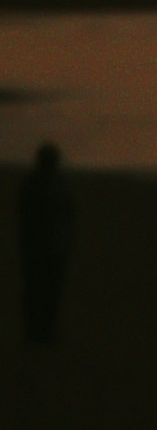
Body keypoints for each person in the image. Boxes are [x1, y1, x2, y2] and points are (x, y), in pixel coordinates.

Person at [17, 144, 76, 349]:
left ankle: (39, 332)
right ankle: (39, 332)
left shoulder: (38, 184)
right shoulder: (52, 185)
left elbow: (69, 213)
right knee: (43, 290)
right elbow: (68, 213)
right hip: (46, 245)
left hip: (44, 245)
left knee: (41, 290)